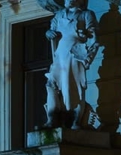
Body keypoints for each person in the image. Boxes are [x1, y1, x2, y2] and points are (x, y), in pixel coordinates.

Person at [44, 0, 98, 129]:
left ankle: (74, 121)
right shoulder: (59, 15)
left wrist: (87, 56)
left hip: (75, 54)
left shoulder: (86, 14)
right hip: (60, 54)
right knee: (51, 84)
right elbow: (51, 30)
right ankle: (52, 118)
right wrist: (49, 33)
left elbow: (93, 36)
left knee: (73, 87)